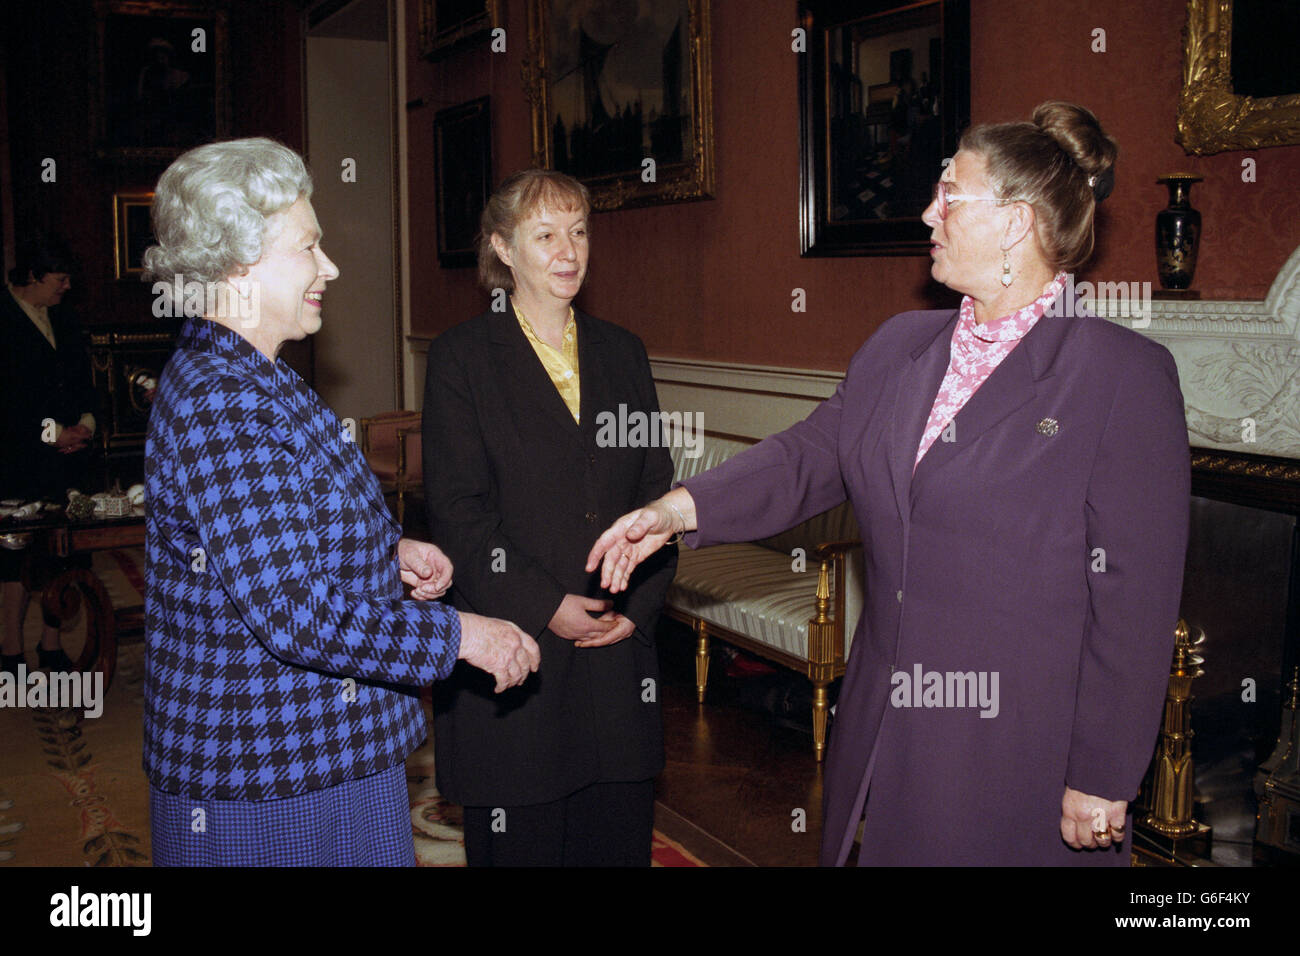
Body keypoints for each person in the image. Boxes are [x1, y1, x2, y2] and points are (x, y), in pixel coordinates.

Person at [587, 102, 1191, 866]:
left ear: (1014, 222)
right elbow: (813, 454)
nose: (927, 212)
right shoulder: (902, 345)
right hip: (887, 723)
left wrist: (1103, 775)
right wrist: (676, 510)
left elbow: (1135, 603)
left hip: (1017, 753)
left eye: (951, 196)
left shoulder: (1120, 376)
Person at [141, 137, 540, 866]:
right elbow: (294, 613)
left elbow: (285, 528)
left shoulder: (257, 376)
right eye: (308, 247)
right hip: (269, 776)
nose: (330, 266)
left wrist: (385, 553)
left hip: (320, 752)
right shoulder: (224, 402)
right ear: (238, 264)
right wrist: (462, 638)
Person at [422, 169, 677, 867]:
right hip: (516, 663)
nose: (569, 249)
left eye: (580, 230)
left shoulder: (622, 352)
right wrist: (546, 604)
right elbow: (459, 513)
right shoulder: (461, 359)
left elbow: (656, 490)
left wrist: (639, 605)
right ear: (503, 248)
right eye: (545, 234)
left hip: (616, 654)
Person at [1, 235, 97, 676]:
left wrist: (85, 426)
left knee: (65, 552)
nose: (66, 287)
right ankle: (10, 651)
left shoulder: (66, 317)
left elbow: (83, 382)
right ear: (34, 277)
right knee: (15, 554)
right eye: (59, 279)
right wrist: (50, 434)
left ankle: (52, 645)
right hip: (18, 462)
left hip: (69, 458)